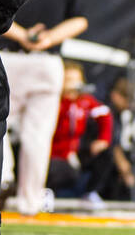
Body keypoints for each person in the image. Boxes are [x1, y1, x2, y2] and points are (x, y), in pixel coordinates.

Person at [0, 0, 88, 216]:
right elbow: (80, 21)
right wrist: (49, 38)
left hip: (10, 57)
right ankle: (29, 202)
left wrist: (25, 35)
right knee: (38, 136)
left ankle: (1, 179)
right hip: (46, 62)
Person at [46, 62, 113, 206]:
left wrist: (103, 139)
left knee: (105, 154)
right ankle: (46, 191)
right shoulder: (53, 100)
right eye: (69, 80)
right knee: (54, 168)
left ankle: (90, 193)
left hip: (74, 154)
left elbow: (104, 114)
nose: (73, 85)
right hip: (54, 155)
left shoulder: (85, 101)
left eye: (76, 80)